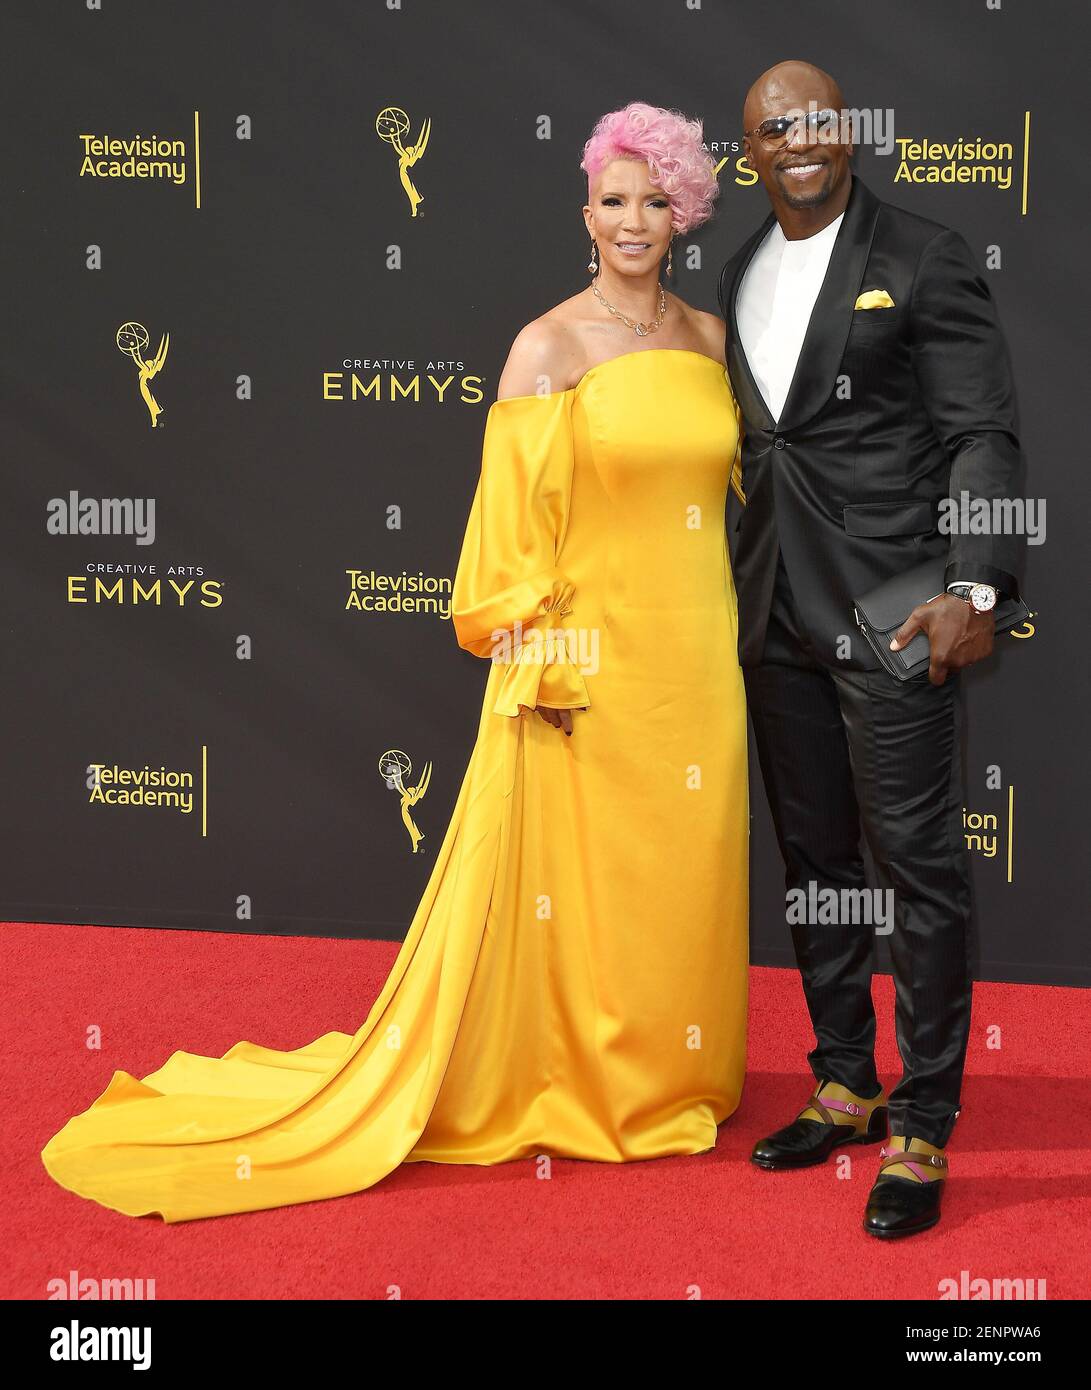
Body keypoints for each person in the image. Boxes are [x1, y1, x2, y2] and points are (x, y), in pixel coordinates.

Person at [40, 101, 750, 1223]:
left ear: (685, 212)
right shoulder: (546, 345)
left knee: (683, 868)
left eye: (653, 200)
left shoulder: (712, 341)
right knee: (588, 882)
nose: (631, 221)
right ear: (584, 213)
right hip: (585, 658)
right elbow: (507, 535)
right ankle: (590, 1081)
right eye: (611, 201)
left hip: (697, 656)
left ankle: (679, 1070)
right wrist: (540, 661)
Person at [719, 60, 1027, 1238]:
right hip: (775, 618)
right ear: (746, 151)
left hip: (896, 610)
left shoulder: (921, 253)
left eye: (812, 121)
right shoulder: (736, 268)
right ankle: (844, 1077)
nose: (794, 142)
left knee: (917, 863)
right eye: (770, 130)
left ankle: (923, 1119)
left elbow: (981, 432)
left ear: (844, 132)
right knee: (814, 857)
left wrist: (975, 581)